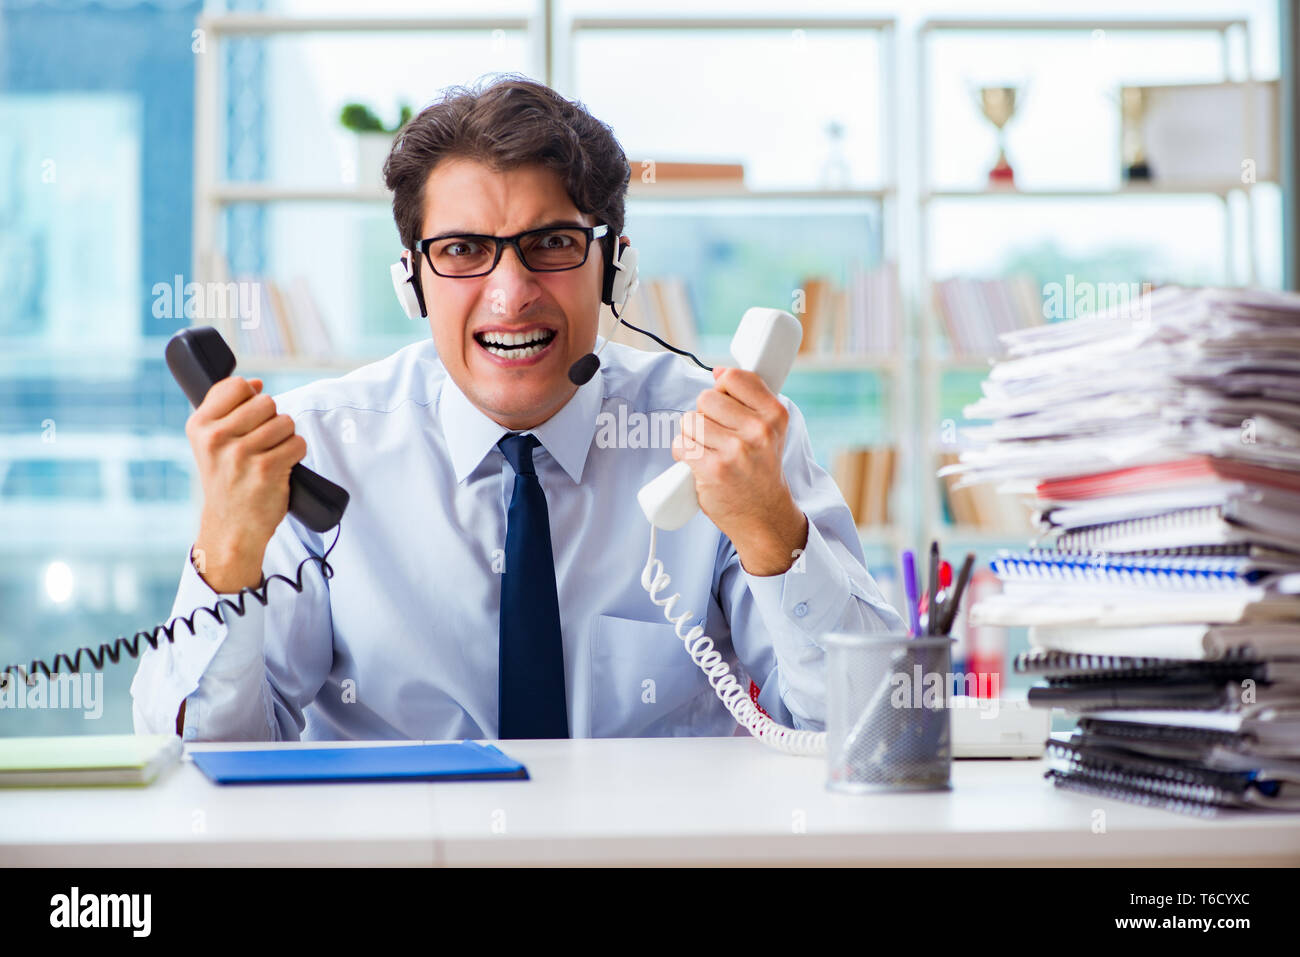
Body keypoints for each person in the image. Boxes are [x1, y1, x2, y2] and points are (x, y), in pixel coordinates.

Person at [131, 75, 905, 742]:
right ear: (413, 281)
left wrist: (771, 527)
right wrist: (226, 554)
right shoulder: (319, 450)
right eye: (463, 250)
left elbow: (879, 730)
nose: (510, 294)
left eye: (553, 243)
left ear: (614, 269)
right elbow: (212, 755)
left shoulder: (731, 442)